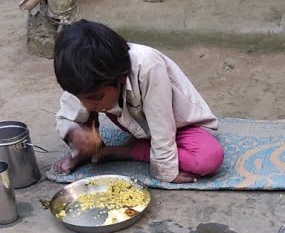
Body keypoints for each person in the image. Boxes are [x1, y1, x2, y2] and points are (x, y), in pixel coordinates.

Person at [53, 20, 223, 184]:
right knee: (81, 112)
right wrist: (75, 134)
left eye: (97, 97)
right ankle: (88, 152)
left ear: (120, 78)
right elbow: (67, 113)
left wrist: (165, 170)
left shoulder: (148, 66)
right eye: (81, 98)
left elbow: (162, 128)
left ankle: (130, 150)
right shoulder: (83, 73)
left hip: (176, 124)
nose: (88, 105)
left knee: (208, 159)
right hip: (134, 119)